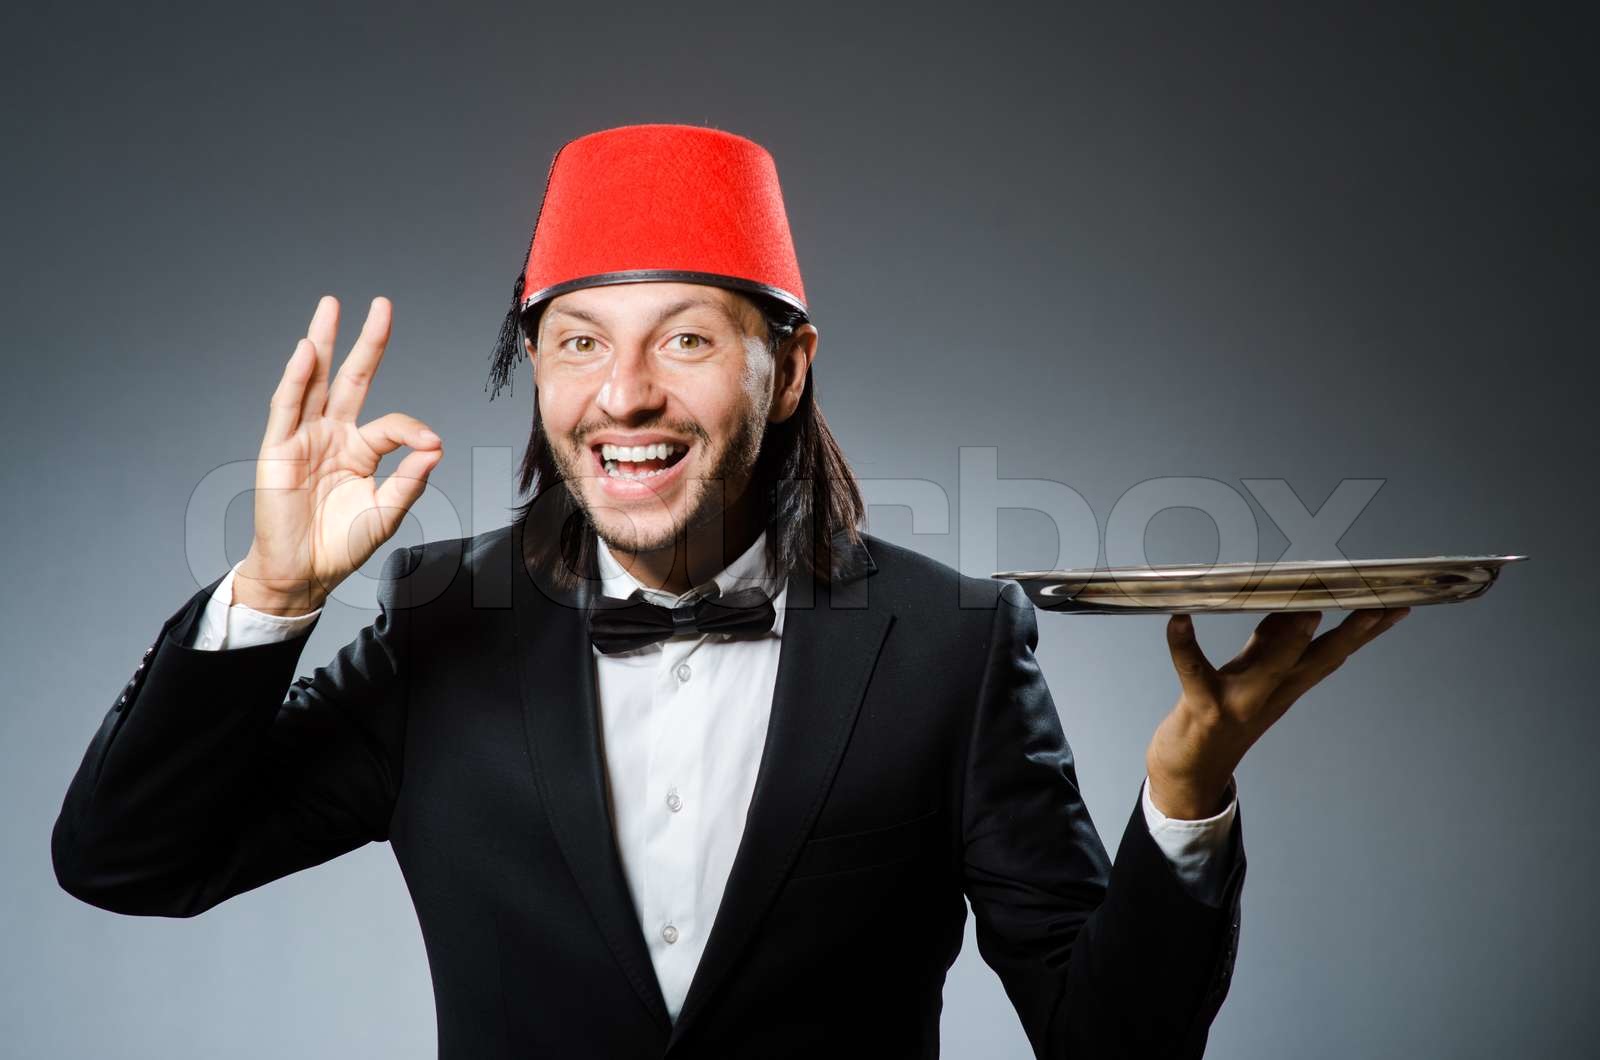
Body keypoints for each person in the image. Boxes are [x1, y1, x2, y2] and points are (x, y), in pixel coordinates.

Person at [52, 123, 1409, 1058]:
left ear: (789, 367)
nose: (623, 392)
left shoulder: (948, 649)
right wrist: (271, 594)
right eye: (577, 341)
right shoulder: (434, 631)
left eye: (687, 338)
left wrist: (1185, 793)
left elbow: (1111, 1044)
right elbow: (128, 862)